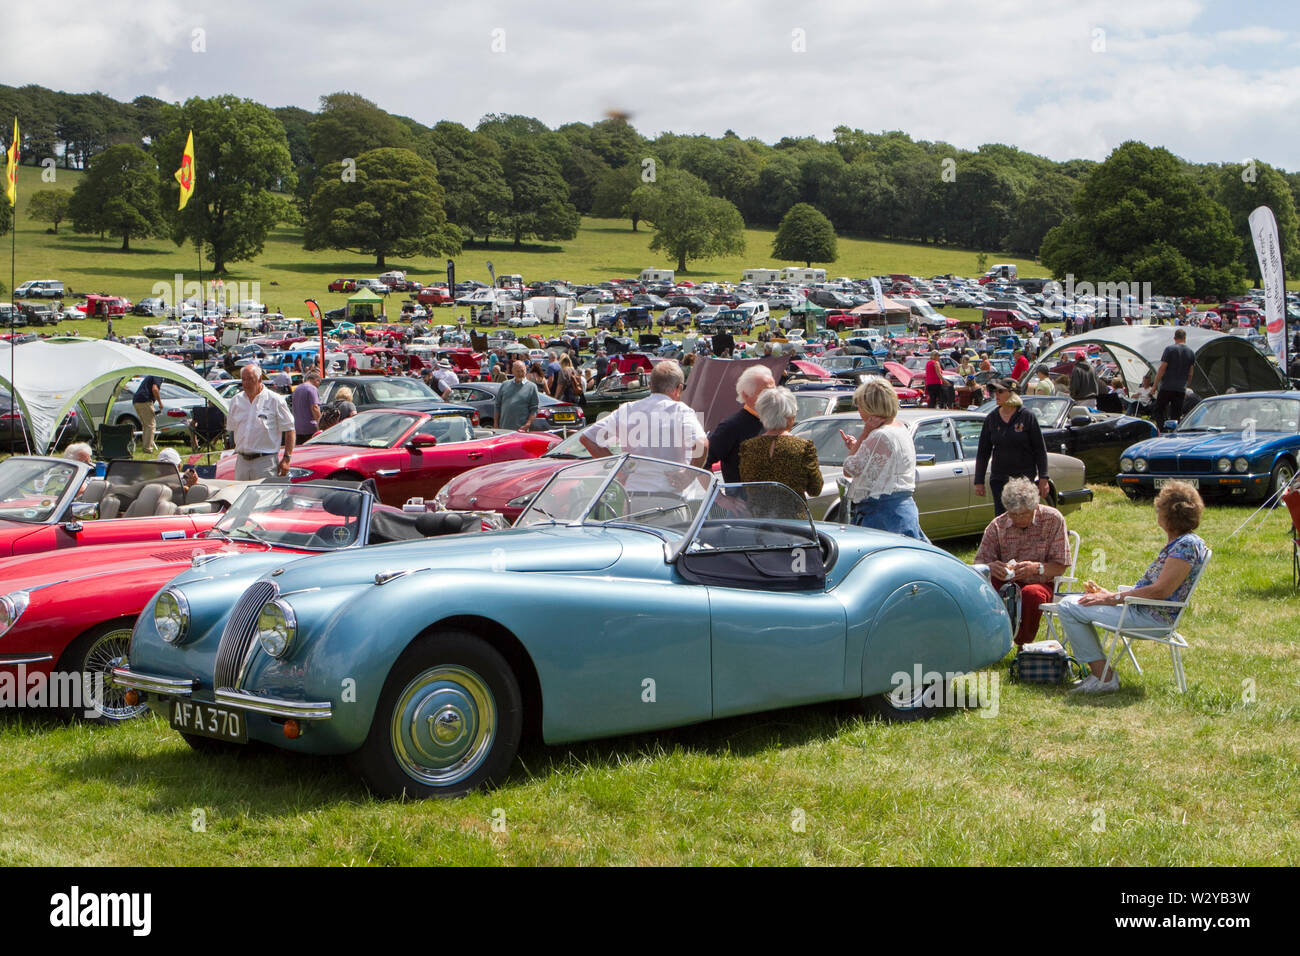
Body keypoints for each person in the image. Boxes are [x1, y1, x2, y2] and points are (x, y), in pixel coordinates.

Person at [1056, 481, 1209, 694]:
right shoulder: (1184, 542)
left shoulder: (1186, 546)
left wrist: (1111, 598)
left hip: (1151, 618)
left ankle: (1104, 677)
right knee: (1074, 602)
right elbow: (1156, 589)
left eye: (1159, 509)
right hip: (1140, 609)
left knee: (1067, 606)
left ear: (1168, 515)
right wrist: (1108, 594)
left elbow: (1161, 591)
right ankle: (1099, 674)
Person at [975, 477, 1073, 647]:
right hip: (1008, 581)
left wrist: (1036, 568)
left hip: (1042, 581)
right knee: (981, 590)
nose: (1018, 519)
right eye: (1013, 514)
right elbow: (979, 565)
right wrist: (991, 567)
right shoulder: (998, 525)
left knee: (1031, 594)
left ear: (1035, 507)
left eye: (1023, 514)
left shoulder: (1052, 519)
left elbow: (1060, 566)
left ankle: (1023, 644)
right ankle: (990, 642)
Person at [839, 376, 927, 540]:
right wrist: (859, 446)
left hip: (882, 513)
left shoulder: (880, 434)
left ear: (871, 407)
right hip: (902, 509)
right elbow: (882, 462)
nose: (859, 411)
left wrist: (865, 433)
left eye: (861, 407)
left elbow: (849, 469)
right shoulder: (900, 427)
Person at [580, 360, 708, 468]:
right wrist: (686, 477)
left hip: (634, 491)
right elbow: (702, 444)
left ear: (650, 385)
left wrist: (619, 470)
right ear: (679, 388)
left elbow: (587, 438)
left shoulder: (627, 409)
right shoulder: (681, 411)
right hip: (671, 492)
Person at [974, 378, 1051, 517]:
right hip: (999, 479)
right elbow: (983, 452)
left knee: (1023, 516)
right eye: (994, 391)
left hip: (1024, 479)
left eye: (1000, 391)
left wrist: (1044, 478)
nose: (996, 395)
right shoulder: (991, 418)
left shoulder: (1027, 417)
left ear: (1012, 393)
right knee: (1002, 518)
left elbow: (1040, 449)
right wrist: (978, 481)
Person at [738, 387, 823, 498]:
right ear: (790, 415)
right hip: (792, 514)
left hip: (756, 514)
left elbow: (745, 485)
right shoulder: (804, 447)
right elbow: (815, 490)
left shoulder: (748, 447)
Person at [706, 365, 776, 483]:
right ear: (745, 395)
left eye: (774, 390)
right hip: (743, 500)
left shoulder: (778, 421)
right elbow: (702, 465)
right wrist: (721, 499)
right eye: (766, 392)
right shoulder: (731, 427)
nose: (773, 396)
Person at [227, 363, 295, 480]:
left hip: (265, 462)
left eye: (250, 379)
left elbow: (289, 429)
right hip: (242, 461)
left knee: (265, 497)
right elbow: (232, 429)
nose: (246, 383)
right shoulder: (236, 401)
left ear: (259, 379)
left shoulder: (275, 400)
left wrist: (287, 458)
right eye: (243, 379)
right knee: (240, 496)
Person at [1152, 328, 1196, 430]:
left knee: (1159, 409)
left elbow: (1162, 369)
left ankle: (1162, 430)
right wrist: (1186, 386)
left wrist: (1155, 385)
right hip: (1180, 388)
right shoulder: (1191, 353)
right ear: (1185, 338)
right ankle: (1174, 432)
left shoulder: (1170, 349)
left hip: (1167, 386)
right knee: (1176, 414)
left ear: (1174, 338)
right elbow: (1190, 374)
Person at [495, 360, 540, 431]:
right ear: (513, 371)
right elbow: (497, 406)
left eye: (522, 371)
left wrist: (527, 425)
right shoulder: (505, 385)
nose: (520, 373)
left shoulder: (532, 387)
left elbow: (534, 409)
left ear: (526, 371)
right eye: (518, 371)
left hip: (521, 430)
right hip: (503, 429)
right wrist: (495, 424)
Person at [132, 374, 163, 454]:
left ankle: (145, 446)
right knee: (151, 425)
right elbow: (155, 389)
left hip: (136, 400)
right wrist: (160, 403)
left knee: (146, 425)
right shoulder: (158, 375)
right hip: (145, 400)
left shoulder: (151, 375)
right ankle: (148, 449)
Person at [291, 369, 321, 444]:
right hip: (310, 428)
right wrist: (320, 423)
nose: (318, 386)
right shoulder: (312, 389)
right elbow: (315, 407)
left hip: (298, 427)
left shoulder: (297, 389)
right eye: (319, 384)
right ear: (316, 381)